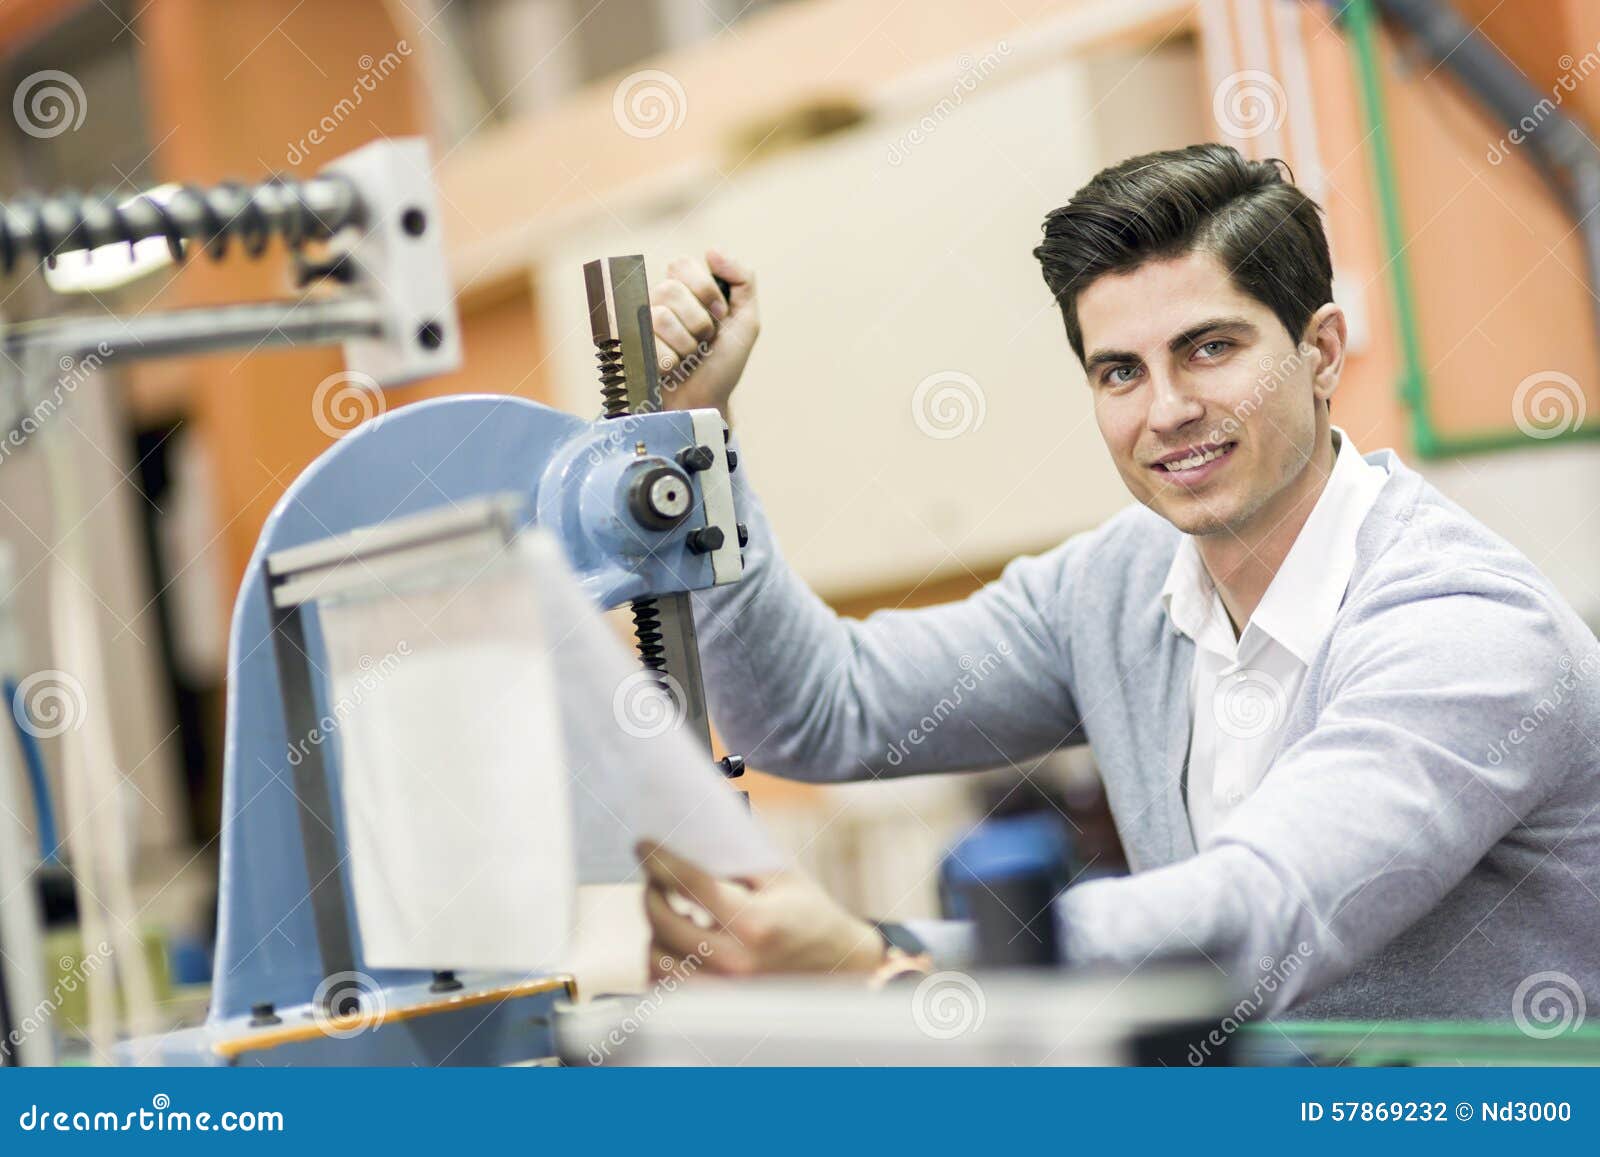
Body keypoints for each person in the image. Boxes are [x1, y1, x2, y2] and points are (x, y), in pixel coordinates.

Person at [635, 143, 1600, 1018]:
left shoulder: (1467, 628)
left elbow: (1268, 909)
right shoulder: (1114, 586)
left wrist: (877, 960)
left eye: (1210, 348)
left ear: (1321, 351)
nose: (1168, 410)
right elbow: (818, 709)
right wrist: (694, 434)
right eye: (1119, 372)